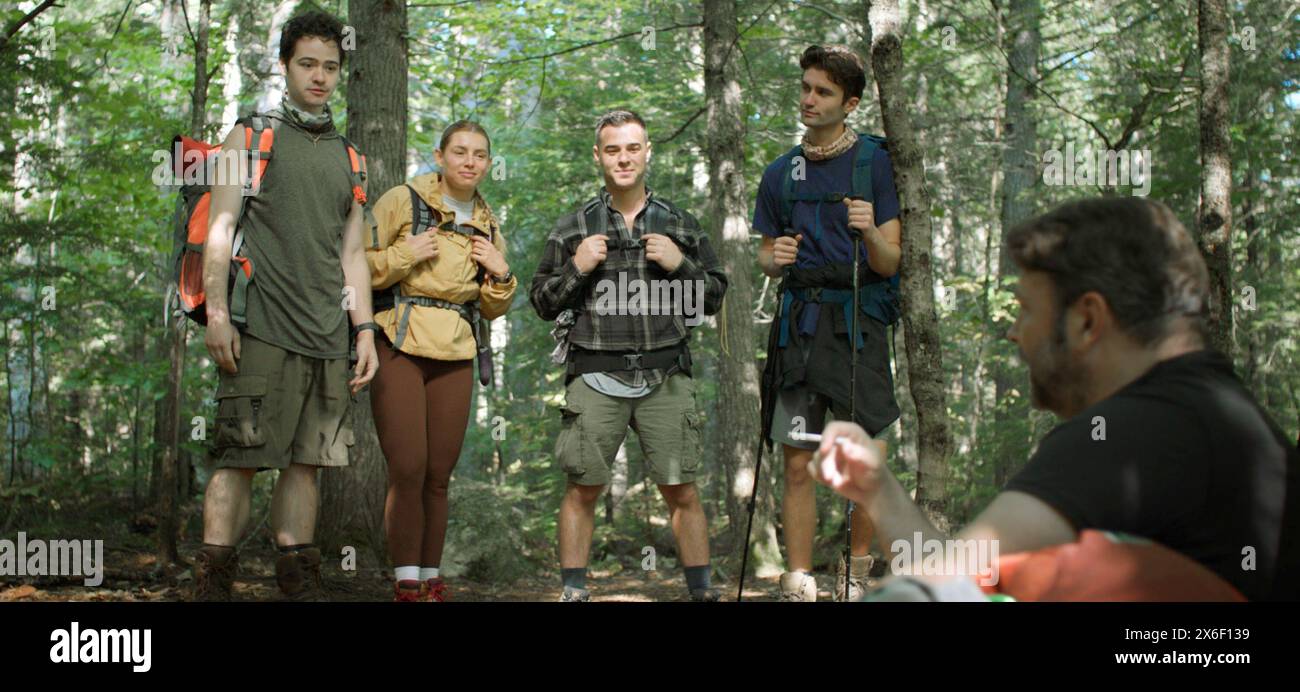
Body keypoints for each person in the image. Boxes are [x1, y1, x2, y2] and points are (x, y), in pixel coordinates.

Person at [810, 196, 1300, 601]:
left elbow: (929, 594)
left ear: (1087, 320)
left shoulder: (1136, 427)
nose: (1014, 333)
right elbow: (967, 573)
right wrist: (878, 490)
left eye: (1026, 310)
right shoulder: (1225, 416)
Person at [191, 10, 378, 601]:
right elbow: (219, 227)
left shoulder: (353, 160)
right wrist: (216, 315)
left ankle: (297, 584)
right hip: (261, 328)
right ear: (285, 65)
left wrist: (365, 330)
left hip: (328, 335)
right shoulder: (250, 137)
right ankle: (212, 583)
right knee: (239, 457)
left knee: (307, 464)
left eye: (329, 66)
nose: (319, 77)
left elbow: (353, 255)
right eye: (307, 64)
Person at [530, 109, 729, 602]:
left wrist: (680, 263)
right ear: (599, 155)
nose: (624, 158)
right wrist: (577, 267)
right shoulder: (574, 225)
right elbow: (541, 301)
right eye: (613, 149)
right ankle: (574, 593)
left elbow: (714, 296)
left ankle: (700, 593)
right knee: (583, 488)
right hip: (594, 376)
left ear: (647, 152)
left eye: (632, 148)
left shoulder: (680, 223)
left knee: (681, 489)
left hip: (667, 374)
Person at [753, 45, 902, 601]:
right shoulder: (779, 172)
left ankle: (855, 575)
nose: (808, 99)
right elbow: (766, 257)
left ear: (851, 103)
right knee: (797, 461)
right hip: (799, 326)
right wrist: (778, 258)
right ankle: (798, 582)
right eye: (806, 88)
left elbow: (890, 262)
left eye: (823, 92)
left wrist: (869, 231)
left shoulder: (874, 163)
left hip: (858, 323)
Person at [367, 121, 516, 601]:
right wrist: (401, 255)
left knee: (438, 473)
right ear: (440, 156)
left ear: (488, 164)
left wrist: (502, 273)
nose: (469, 161)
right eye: (460, 152)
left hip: (456, 349)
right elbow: (354, 266)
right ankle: (405, 581)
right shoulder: (401, 200)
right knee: (408, 466)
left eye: (479, 155)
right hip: (399, 342)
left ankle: (431, 579)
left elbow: (492, 306)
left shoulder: (489, 222)